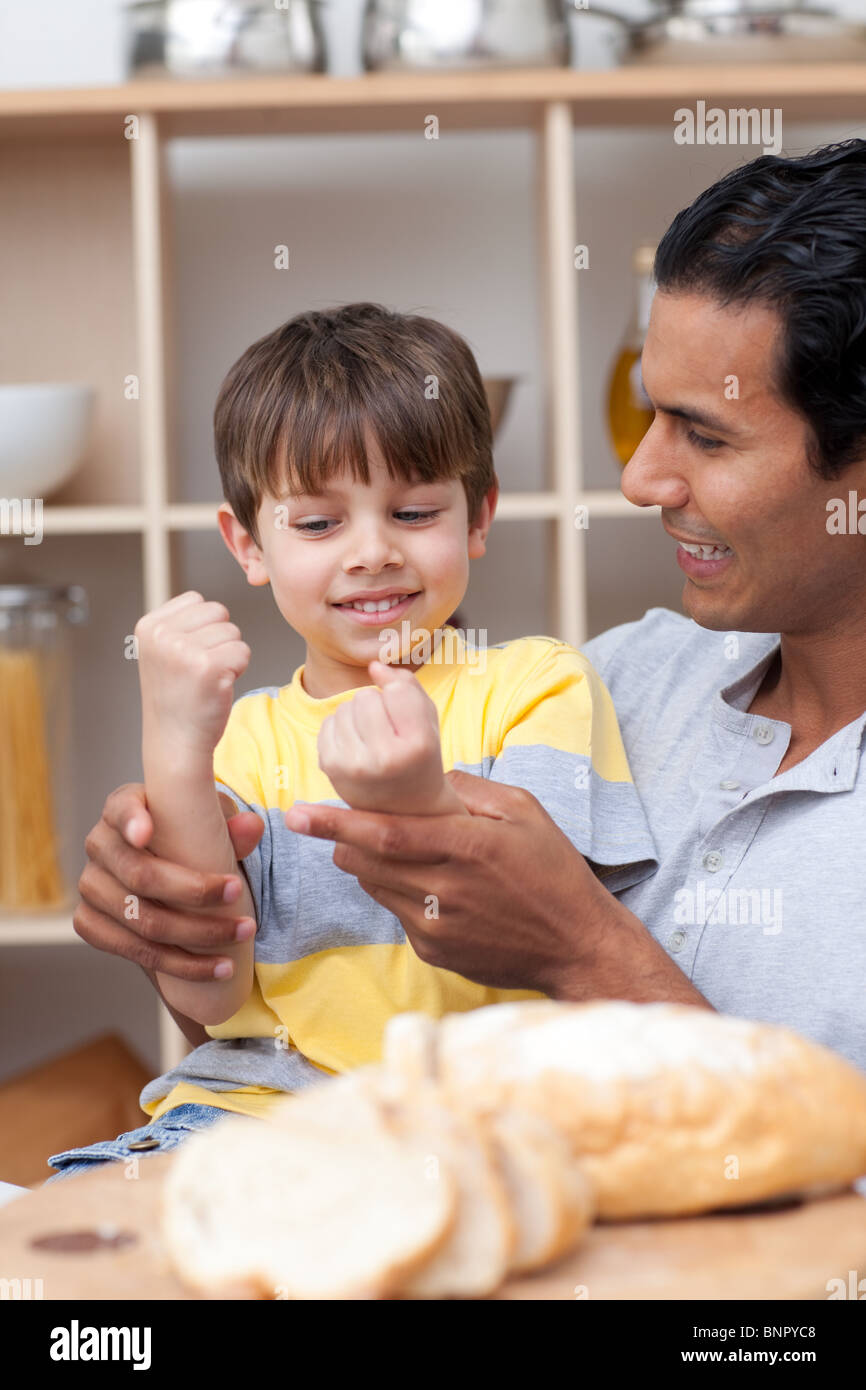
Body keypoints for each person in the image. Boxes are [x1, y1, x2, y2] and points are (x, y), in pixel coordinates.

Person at [66, 135, 866, 1180]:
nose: (635, 477)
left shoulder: (544, 688)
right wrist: (172, 916)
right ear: (247, 541)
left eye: (702, 437)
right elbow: (269, 1021)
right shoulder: (627, 675)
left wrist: (579, 946)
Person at [44, 304, 657, 1181]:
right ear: (248, 543)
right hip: (256, 1112)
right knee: (91, 1240)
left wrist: (413, 799)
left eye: (412, 511)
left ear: (478, 516)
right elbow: (211, 996)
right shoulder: (239, 739)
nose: (371, 553)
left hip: (480, 1115)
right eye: (318, 524)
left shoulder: (537, 684)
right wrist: (174, 746)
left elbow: (532, 928)